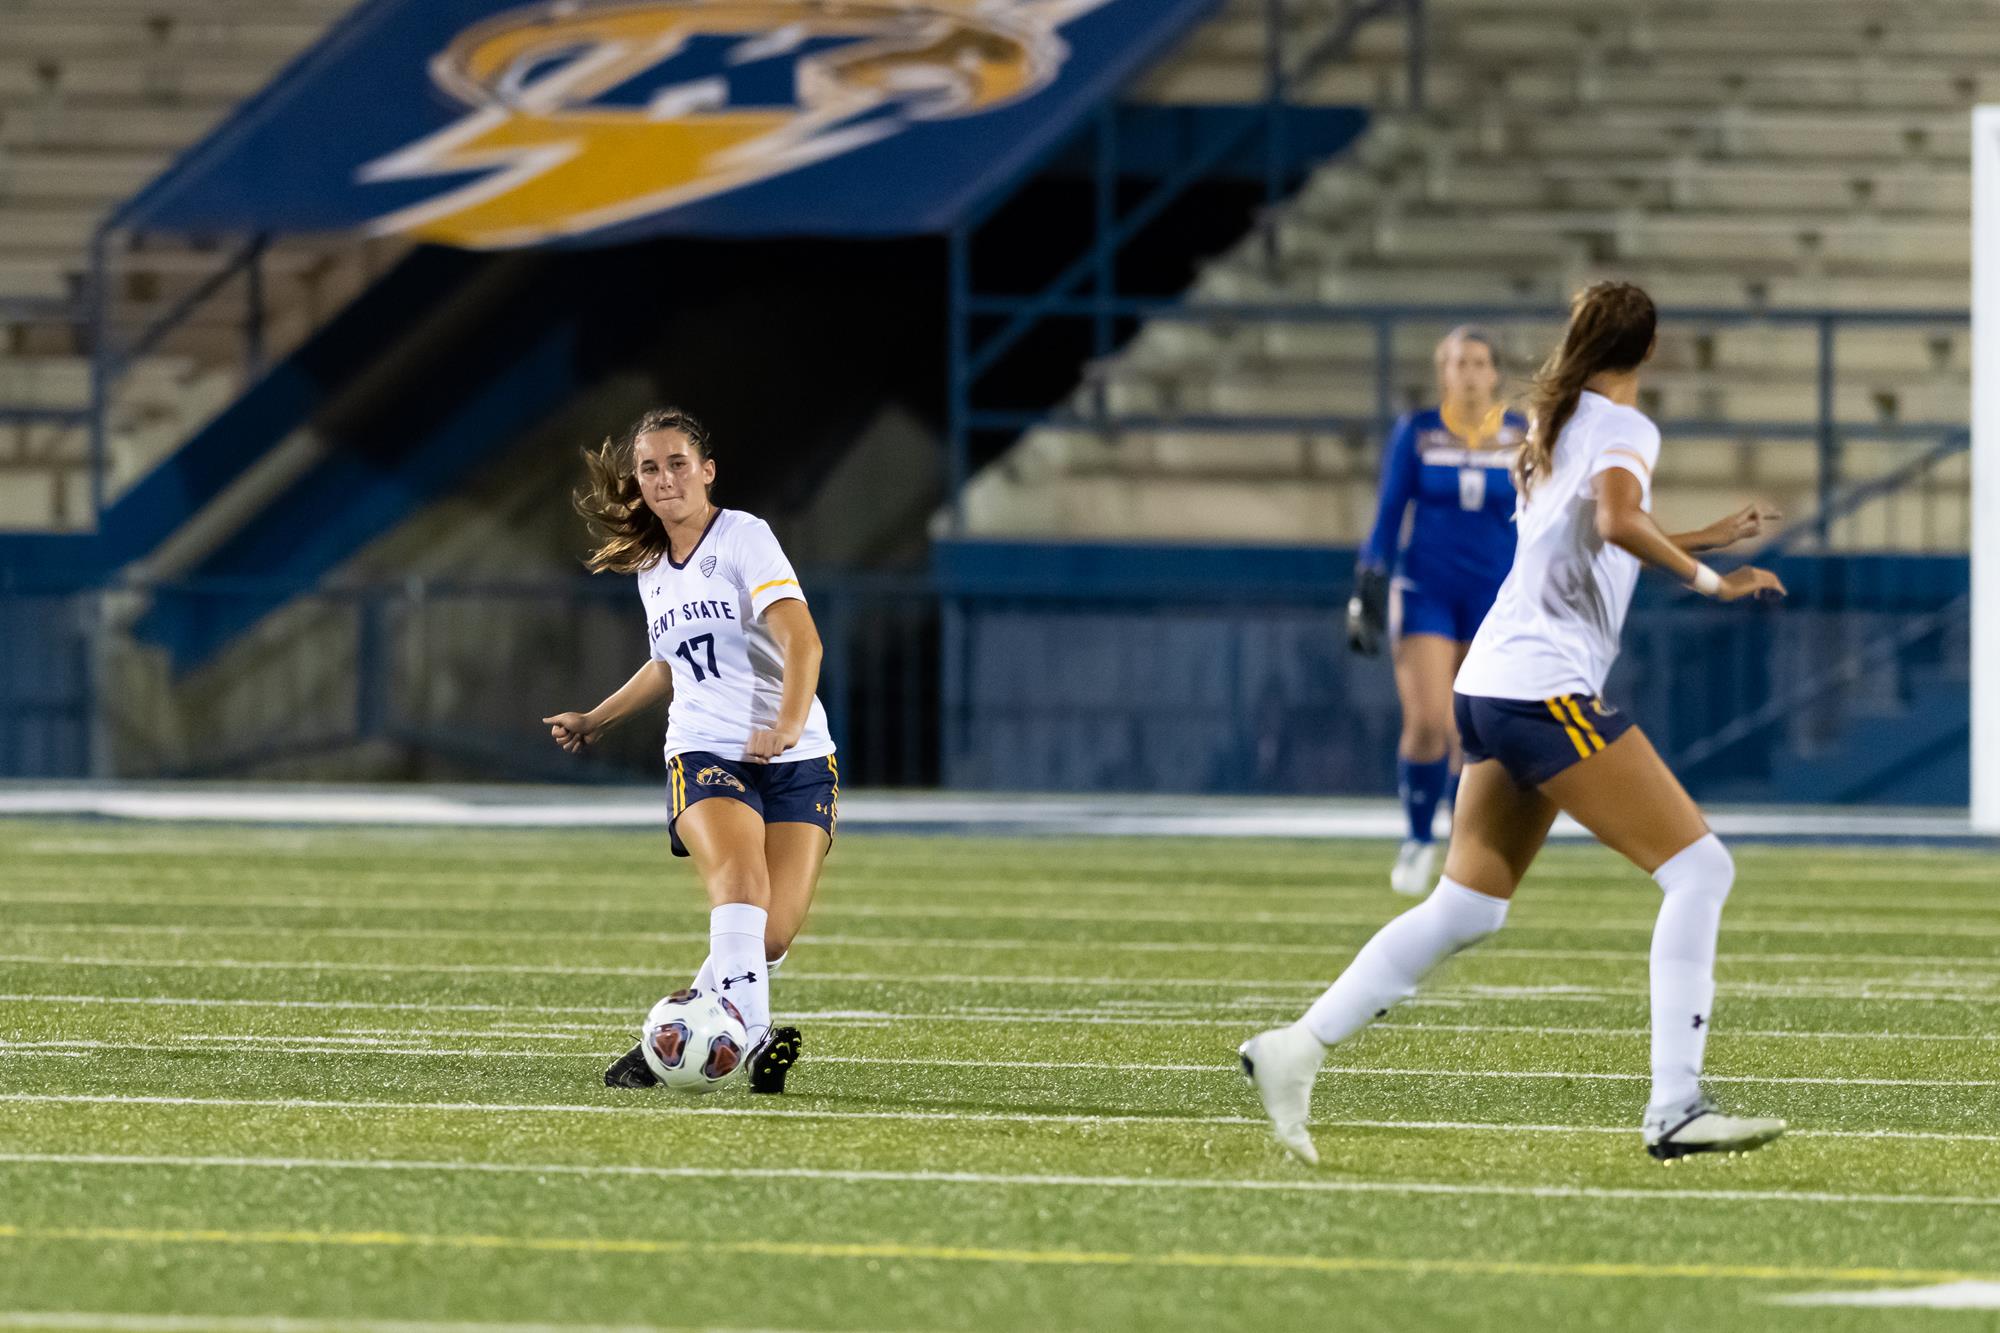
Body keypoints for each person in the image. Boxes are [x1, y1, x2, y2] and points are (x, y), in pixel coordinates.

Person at [1245, 282, 1788, 1163]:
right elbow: (1616, 520)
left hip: (1487, 684)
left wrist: (1703, 537)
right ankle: (1676, 1104)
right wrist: (1710, 579)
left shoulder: (1551, 426)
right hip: (1542, 690)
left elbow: (1590, 529)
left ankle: (1295, 1047)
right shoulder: (1625, 428)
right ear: (1649, 352)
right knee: (1699, 868)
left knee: (1467, 907)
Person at [541, 407, 838, 1094]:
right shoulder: (652, 566)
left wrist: (790, 722)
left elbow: (804, 640)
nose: (664, 477)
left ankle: (665, 1042)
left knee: (767, 939)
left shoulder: (743, 537)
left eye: (677, 463)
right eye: (649, 467)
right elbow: (669, 664)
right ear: (638, 483)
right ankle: (752, 1039)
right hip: (705, 749)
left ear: (708, 471)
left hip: (797, 755)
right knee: (739, 886)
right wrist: (598, 717)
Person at [1349, 329, 1527, 897]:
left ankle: (1460, 844)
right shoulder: (1418, 431)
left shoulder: (1520, 434)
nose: (1469, 373)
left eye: (1478, 362)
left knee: (1472, 731)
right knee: (1429, 722)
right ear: (1441, 371)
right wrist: (1367, 579)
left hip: (1494, 595)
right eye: (1457, 362)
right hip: (1426, 586)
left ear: (1494, 372)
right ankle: (1419, 836)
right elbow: (1388, 509)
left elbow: (1541, 516)